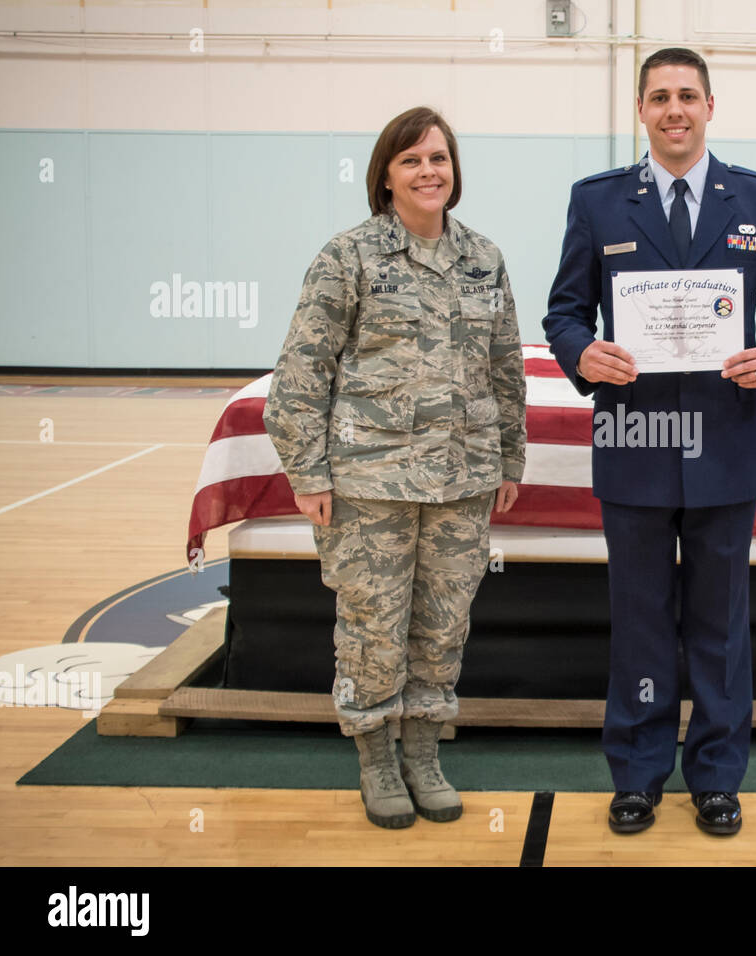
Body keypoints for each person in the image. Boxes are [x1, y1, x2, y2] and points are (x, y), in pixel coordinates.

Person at [543, 47, 756, 836]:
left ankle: (718, 778)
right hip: (633, 441)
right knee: (637, 619)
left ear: (708, 107)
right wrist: (580, 353)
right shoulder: (597, 204)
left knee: (720, 625)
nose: (674, 110)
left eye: (687, 96)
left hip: (726, 446)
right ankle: (636, 775)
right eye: (659, 96)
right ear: (641, 110)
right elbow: (565, 312)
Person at [263, 106, 526, 829]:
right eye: (412, 160)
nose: (428, 172)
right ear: (385, 175)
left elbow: (506, 367)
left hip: (462, 479)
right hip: (367, 483)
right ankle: (376, 759)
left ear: (455, 171)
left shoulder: (484, 259)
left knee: (442, 627)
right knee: (374, 626)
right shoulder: (348, 258)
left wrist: (509, 456)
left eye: (439, 158)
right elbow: (302, 371)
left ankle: (422, 752)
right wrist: (308, 472)